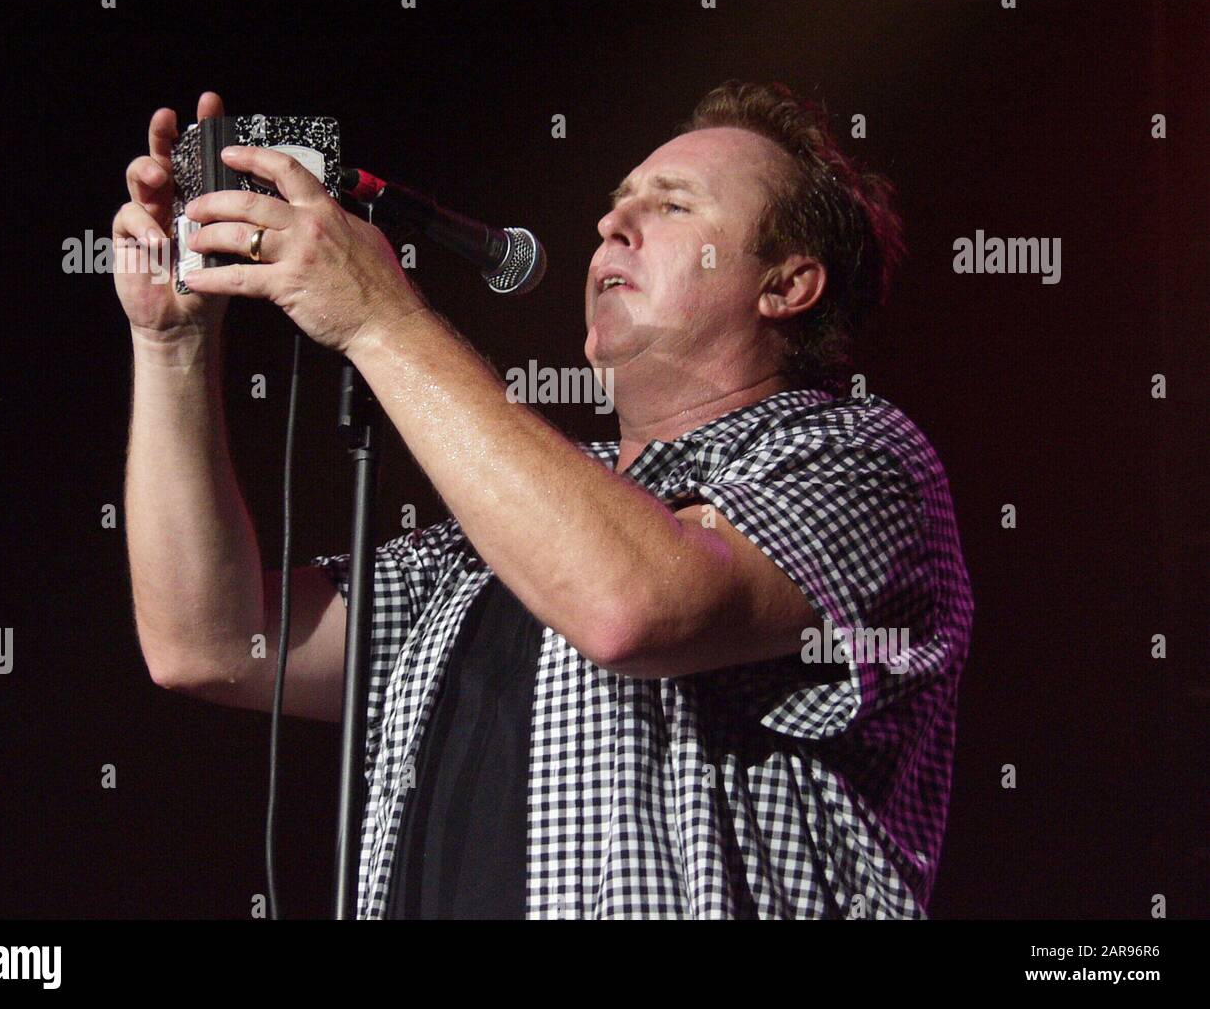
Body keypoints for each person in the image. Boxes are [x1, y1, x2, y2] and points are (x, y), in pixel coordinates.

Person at [113, 80, 974, 919]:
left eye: (671, 206)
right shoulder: (506, 522)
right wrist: (171, 344)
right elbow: (212, 641)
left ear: (786, 284)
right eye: (616, 203)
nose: (610, 224)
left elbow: (632, 605)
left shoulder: (860, 458)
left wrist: (381, 319)